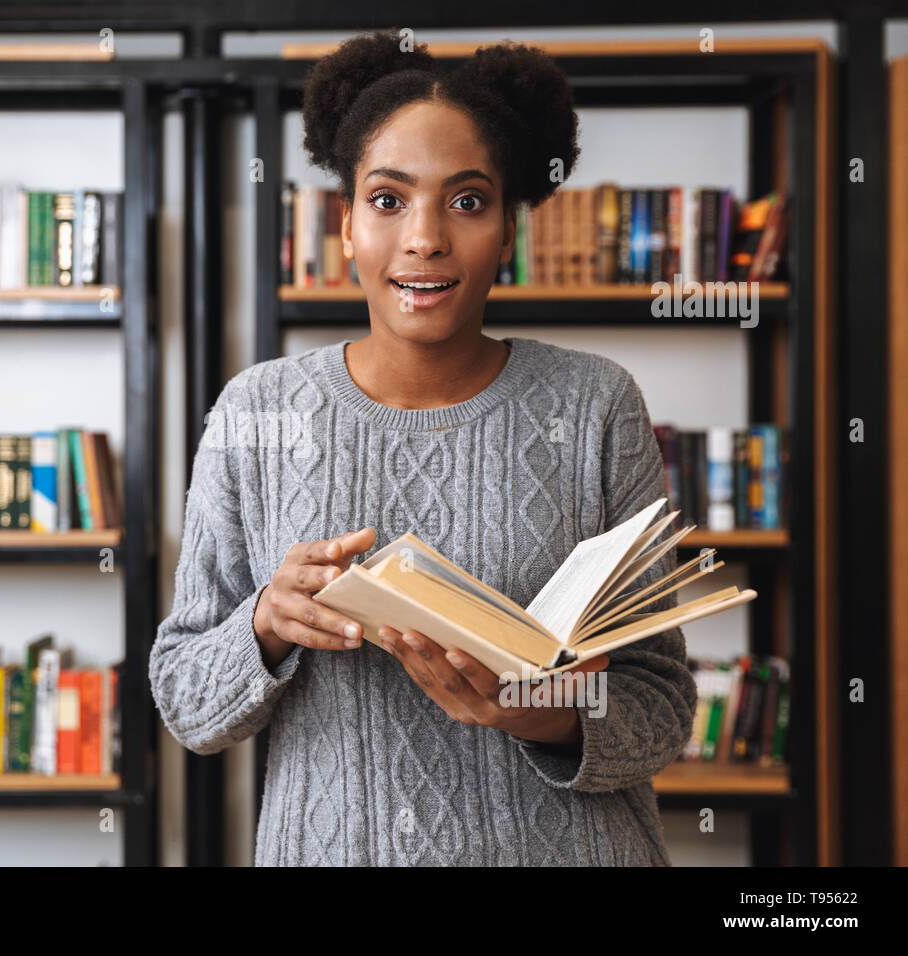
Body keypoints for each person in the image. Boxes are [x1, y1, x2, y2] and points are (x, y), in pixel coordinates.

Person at [149, 30, 697, 865]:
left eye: (468, 201)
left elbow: (660, 706)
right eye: (388, 199)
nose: (426, 238)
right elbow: (187, 703)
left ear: (509, 230)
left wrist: (536, 708)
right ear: (346, 226)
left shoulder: (595, 403)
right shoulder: (256, 411)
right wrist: (265, 623)